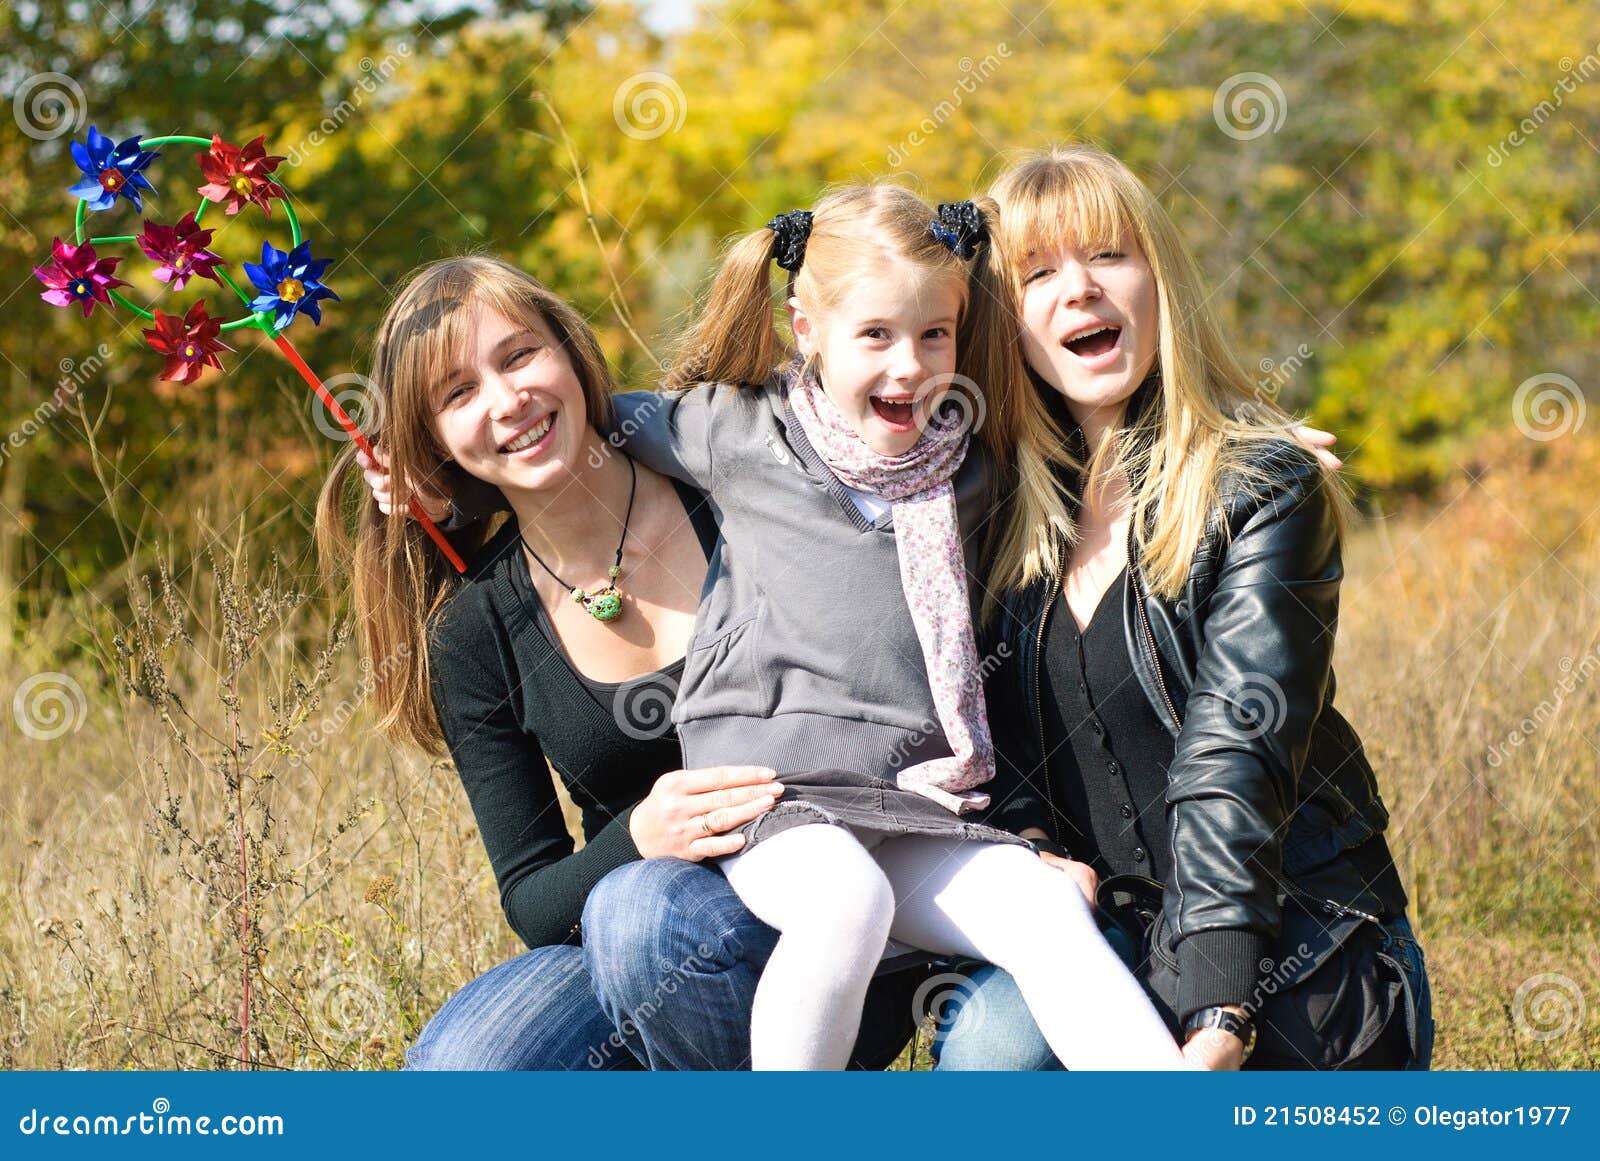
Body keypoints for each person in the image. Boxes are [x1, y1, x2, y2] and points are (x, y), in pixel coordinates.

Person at [583, 184, 1187, 1070]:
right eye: (875, 336)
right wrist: (437, 481)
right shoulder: (740, 430)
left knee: (1045, 908)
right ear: (806, 330)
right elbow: (567, 425)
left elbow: (1110, 425)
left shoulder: (972, 460)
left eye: (932, 334)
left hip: (912, 798)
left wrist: (1257, 441)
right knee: (844, 900)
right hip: (772, 794)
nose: (909, 366)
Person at [316, 254, 920, 1069]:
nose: (507, 399)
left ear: (569, 351)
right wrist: (641, 832)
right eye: (457, 394)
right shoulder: (476, 629)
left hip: (837, 887)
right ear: (435, 442)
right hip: (629, 940)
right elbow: (534, 900)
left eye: (519, 355)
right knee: (463, 1071)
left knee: (641, 914)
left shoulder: (721, 480)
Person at [933, 143, 1433, 1071]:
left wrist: (1218, 1009)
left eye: (1108, 255)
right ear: (1004, 322)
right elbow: (968, 734)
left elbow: (1234, 757)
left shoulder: (1260, 489)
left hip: (1297, 941)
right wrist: (1032, 840)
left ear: (1159, 279)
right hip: (1111, 937)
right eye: (1037, 273)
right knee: (990, 1050)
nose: (1078, 290)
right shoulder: (987, 519)